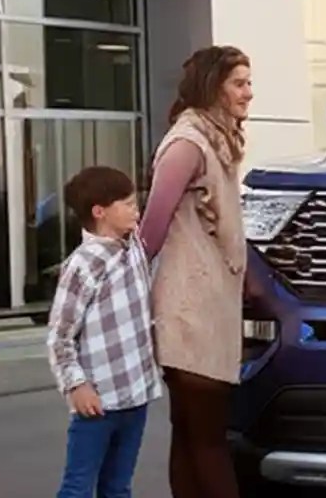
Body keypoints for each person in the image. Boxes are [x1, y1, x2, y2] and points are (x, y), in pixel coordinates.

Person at [139, 45, 254, 498]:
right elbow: (153, 226)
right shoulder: (189, 143)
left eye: (248, 82)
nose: (249, 93)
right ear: (213, 87)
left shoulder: (216, 140)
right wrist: (116, 283)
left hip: (208, 308)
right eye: (239, 83)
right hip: (190, 313)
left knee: (190, 435)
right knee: (207, 441)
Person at [47, 165, 161, 498]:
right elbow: (59, 335)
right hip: (98, 403)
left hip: (137, 393)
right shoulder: (84, 264)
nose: (135, 208)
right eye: (126, 203)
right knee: (78, 488)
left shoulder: (135, 246)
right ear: (99, 212)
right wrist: (76, 385)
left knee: (118, 487)